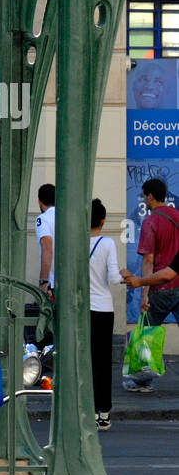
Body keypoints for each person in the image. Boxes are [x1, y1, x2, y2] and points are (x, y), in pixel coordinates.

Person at [124, 179, 179, 393]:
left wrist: (144, 294)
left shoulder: (150, 222)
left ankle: (143, 381)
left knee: (146, 333)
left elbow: (148, 260)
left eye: (143, 195)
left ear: (150, 197)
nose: (143, 199)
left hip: (160, 287)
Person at [88, 199, 122, 429]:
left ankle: (87, 410)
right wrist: (125, 275)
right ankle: (104, 413)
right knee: (103, 361)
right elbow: (114, 278)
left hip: (82, 310)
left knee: (85, 361)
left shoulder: (76, 243)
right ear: (103, 221)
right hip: (103, 308)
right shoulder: (107, 243)